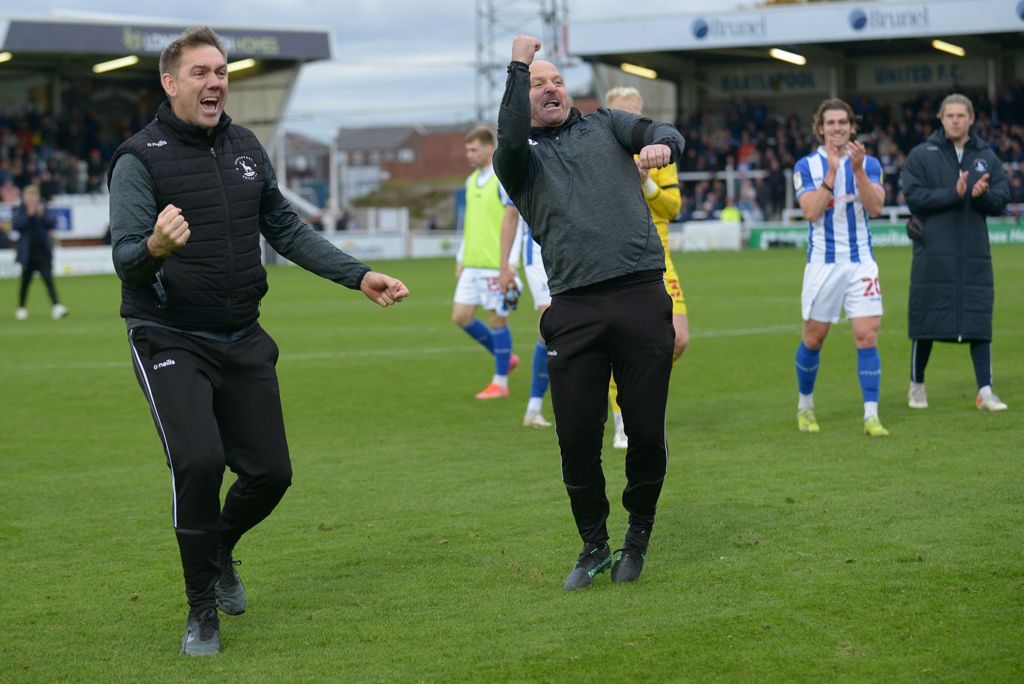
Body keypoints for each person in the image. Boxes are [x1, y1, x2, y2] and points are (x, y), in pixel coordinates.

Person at [108, 27, 408, 657]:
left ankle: (219, 549)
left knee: (271, 474)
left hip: (243, 334)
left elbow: (286, 228)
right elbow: (128, 260)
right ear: (171, 82)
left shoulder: (246, 147)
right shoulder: (140, 157)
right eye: (201, 72)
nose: (216, 81)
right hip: (168, 333)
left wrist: (358, 274)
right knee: (197, 462)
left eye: (222, 71)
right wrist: (156, 247)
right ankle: (200, 614)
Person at [494, 36, 684, 590]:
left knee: (645, 432)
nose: (549, 88)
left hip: (641, 296)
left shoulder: (606, 125)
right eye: (536, 84)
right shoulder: (519, 160)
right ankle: (594, 543)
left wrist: (660, 147)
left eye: (556, 80)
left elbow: (660, 131)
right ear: (520, 98)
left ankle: (639, 533)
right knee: (577, 439)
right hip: (573, 308)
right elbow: (506, 132)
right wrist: (517, 64)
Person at [901, 93, 1010, 412]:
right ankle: (917, 385)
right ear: (941, 118)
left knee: (979, 320)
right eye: (950, 115)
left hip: (974, 253)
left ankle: (985, 391)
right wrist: (954, 193)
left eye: (962, 115)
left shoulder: (986, 156)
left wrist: (981, 195)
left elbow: (1002, 197)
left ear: (972, 119)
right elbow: (914, 197)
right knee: (925, 320)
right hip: (933, 251)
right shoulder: (922, 154)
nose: (956, 120)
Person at [791, 98, 888, 437]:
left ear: (851, 126)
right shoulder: (806, 166)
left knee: (867, 335)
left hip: (861, 261)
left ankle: (871, 415)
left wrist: (857, 170)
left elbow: (876, 208)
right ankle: (805, 405)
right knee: (813, 338)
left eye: (842, 123)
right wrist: (832, 172)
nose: (837, 128)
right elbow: (811, 211)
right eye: (830, 123)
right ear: (820, 128)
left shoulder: (869, 163)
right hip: (823, 265)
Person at [604, 87, 687, 449]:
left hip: (661, 258)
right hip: (620, 259)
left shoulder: (659, 155)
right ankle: (623, 419)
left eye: (637, 116)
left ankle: (641, 403)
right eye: (623, 114)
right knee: (620, 347)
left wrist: (647, 182)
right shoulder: (602, 157)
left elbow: (673, 208)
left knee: (678, 340)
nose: (631, 122)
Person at [453, 126, 520, 399]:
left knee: (497, 320)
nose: (469, 154)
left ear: (488, 147)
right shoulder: (471, 181)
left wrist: (509, 264)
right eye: (467, 149)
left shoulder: (502, 178)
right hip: (472, 263)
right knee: (461, 316)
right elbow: (469, 223)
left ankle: (500, 382)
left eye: (473, 149)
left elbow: (516, 221)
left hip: (496, 264)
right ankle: (506, 357)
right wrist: (460, 258)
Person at [499, 206, 552, 428]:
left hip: (574, 248)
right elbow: (512, 214)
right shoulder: (530, 169)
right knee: (552, 325)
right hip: (539, 256)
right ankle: (534, 407)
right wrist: (506, 266)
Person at [13, 185, 68, 320]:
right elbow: (17, 225)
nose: (32, 200)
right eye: (29, 197)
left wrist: (41, 214)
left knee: (48, 281)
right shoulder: (21, 210)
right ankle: (21, 308)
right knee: (25, 283)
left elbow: (52, 222)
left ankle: (57, 306)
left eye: (34, 196)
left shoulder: (43, 209)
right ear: (25, 198)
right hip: (27, 255)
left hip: (42, 253)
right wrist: (29, 215)